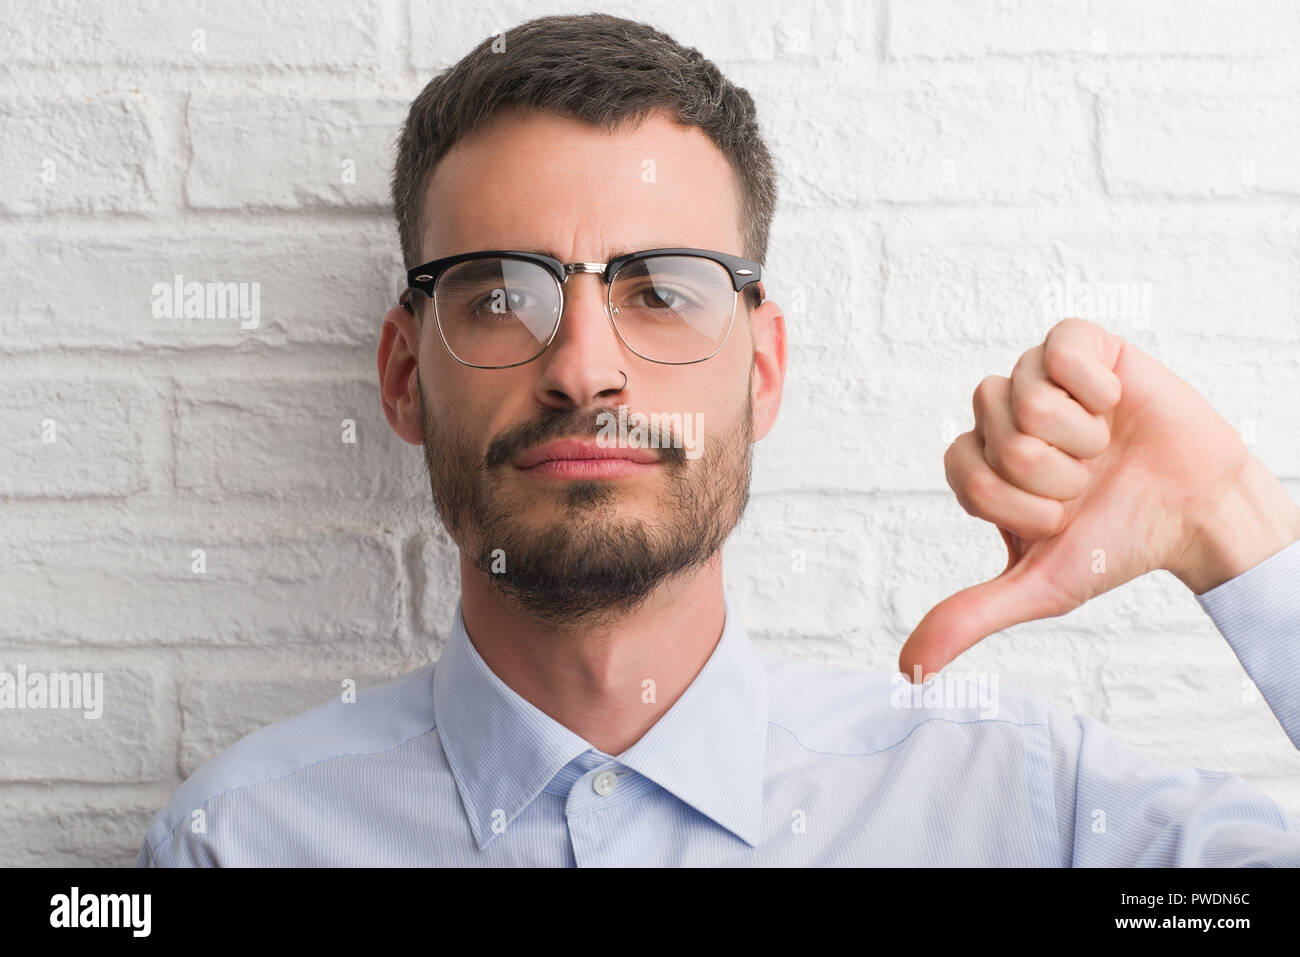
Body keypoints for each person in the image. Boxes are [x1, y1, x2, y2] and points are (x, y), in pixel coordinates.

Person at [138, 12, 1300, 867]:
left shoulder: (1030, 814)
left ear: (763, 367)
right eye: (501, 295)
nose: (584, 367)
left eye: (661, 291)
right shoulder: (237, 842)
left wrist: (1234, 522)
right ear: (402, 375)